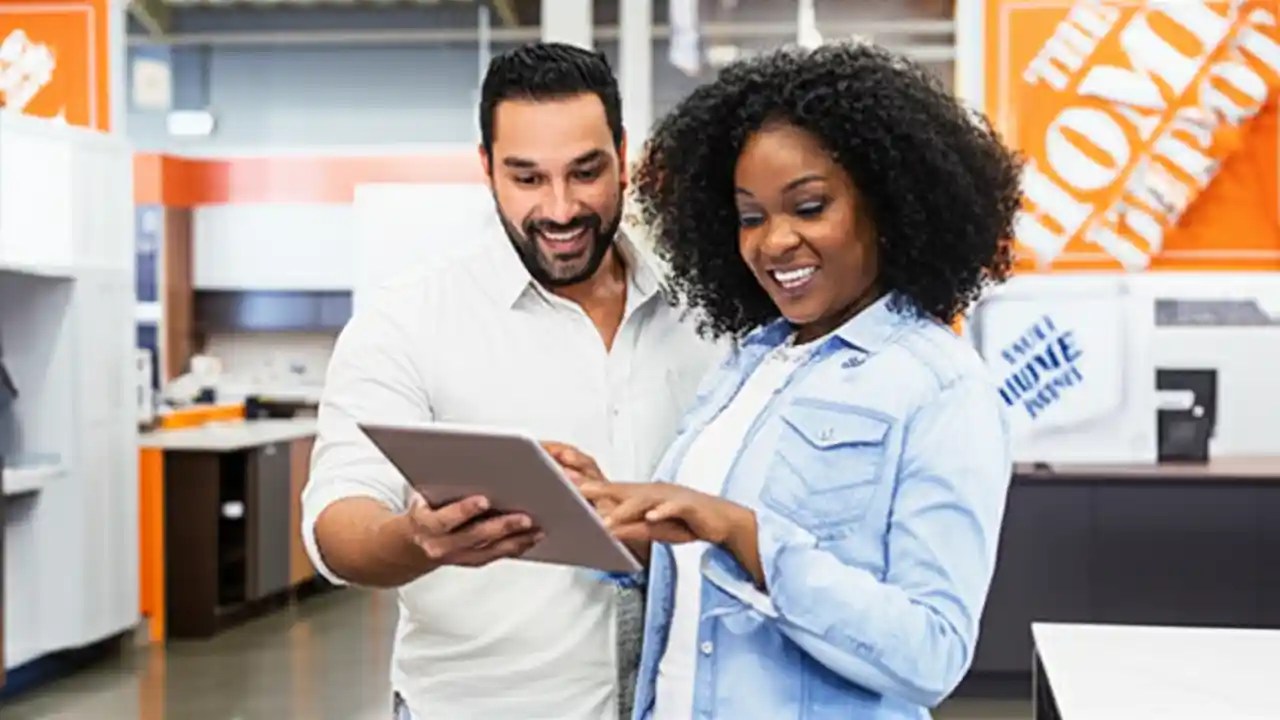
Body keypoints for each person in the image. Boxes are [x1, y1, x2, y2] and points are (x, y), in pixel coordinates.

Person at [565, 42, 1024, 719]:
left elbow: (933, 652)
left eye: (808, 207)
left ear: (887, 205)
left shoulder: (940, 386)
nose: (773, 241)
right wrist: (616, 517)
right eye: (751, 216)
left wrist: (744, 534)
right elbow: (702, 570)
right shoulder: (751, 363)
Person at [300, 42, 721, 720]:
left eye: (586, 173)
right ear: (487, 168)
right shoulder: (408, 321)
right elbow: (335, 526)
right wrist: (417, 540)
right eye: (526, 178)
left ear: (623, 154)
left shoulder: (708, 312)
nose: (559, 210)